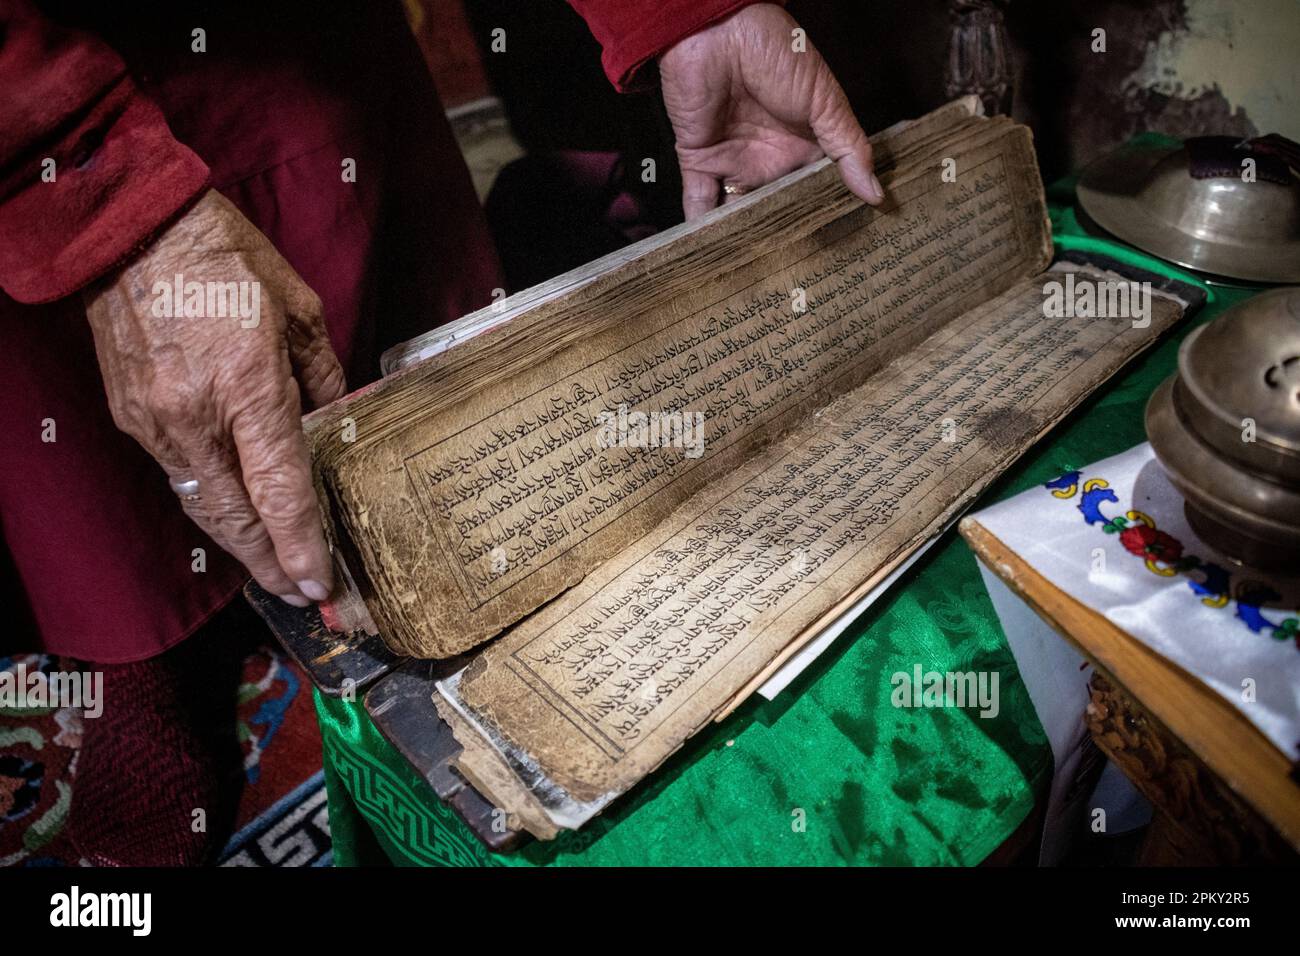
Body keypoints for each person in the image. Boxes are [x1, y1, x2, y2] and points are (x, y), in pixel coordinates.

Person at [0, 0, 882, 864]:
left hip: (296, 48)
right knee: (95, 458)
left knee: (398, 362)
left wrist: (690, 14)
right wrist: (106, 210)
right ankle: (153, 662)